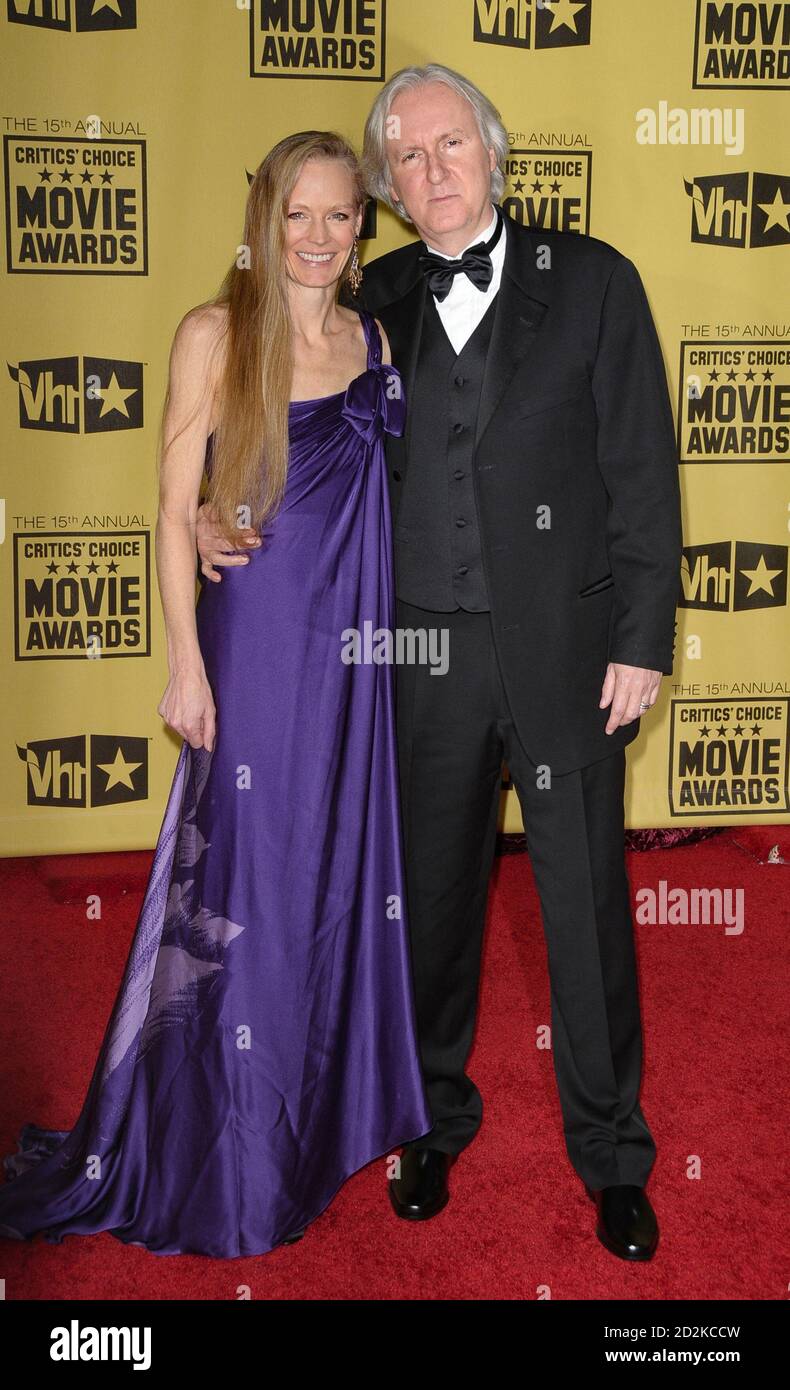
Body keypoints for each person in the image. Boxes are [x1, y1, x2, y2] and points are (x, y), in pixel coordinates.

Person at [198, 67, 683, 1263]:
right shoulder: (372, 298)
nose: (431, 170)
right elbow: (272, 405)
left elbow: (642, 468)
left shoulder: (596, 282)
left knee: (580, 907)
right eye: (404, 158)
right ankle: (429, 1118)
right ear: (388, 192)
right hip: (417, 652)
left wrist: (641, 638)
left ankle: (613, 1150)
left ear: (494, 152)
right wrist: (215, 514)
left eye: (448, 143)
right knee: (429, 912)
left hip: (569, 655)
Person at [0, 131, 431, 1258]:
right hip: (255, 655)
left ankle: (304, 1126)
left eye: (341, 216)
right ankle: (229, 1148)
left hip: (354, 662)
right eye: (299, 213)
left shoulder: (371, 336)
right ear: (265, 217)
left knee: (328, 882)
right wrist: (185, 666)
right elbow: (170, 507)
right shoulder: (213, 334)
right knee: (244, 883)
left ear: (360, 228)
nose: (319, 237)